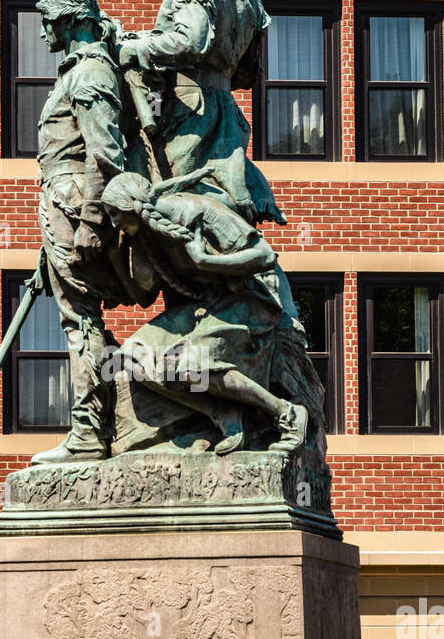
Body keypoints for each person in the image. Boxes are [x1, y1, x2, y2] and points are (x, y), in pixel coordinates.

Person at [101, 172, 319, 455]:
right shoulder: (144, 235)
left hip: (245, 300)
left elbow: (264, 255)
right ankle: (222, 413)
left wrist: (206, 261)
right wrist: (117, 255)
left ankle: (285, 413)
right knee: (129, 356)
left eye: (115, 213)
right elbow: (143, 297)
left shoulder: (197, 210)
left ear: (131, 204)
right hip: (200, 308)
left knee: (193, 363)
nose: (113, 223)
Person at [30, 0, 151, 465]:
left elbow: (104, 154)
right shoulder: (79, 71)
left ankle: (88, 432)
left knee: (80, 320)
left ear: (71, 21)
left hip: (74, 203)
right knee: (77, 318)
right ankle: (105, 416)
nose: (44, 32)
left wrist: (91, 222)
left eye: (49, 21)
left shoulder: (89, 73)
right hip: (62, 206)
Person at [117, 0, 284, 229]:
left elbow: (189, 41)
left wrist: (132, 49)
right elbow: (248, 71)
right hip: (223, 109)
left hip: (188, 110)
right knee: (211, 202)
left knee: (172, 202)